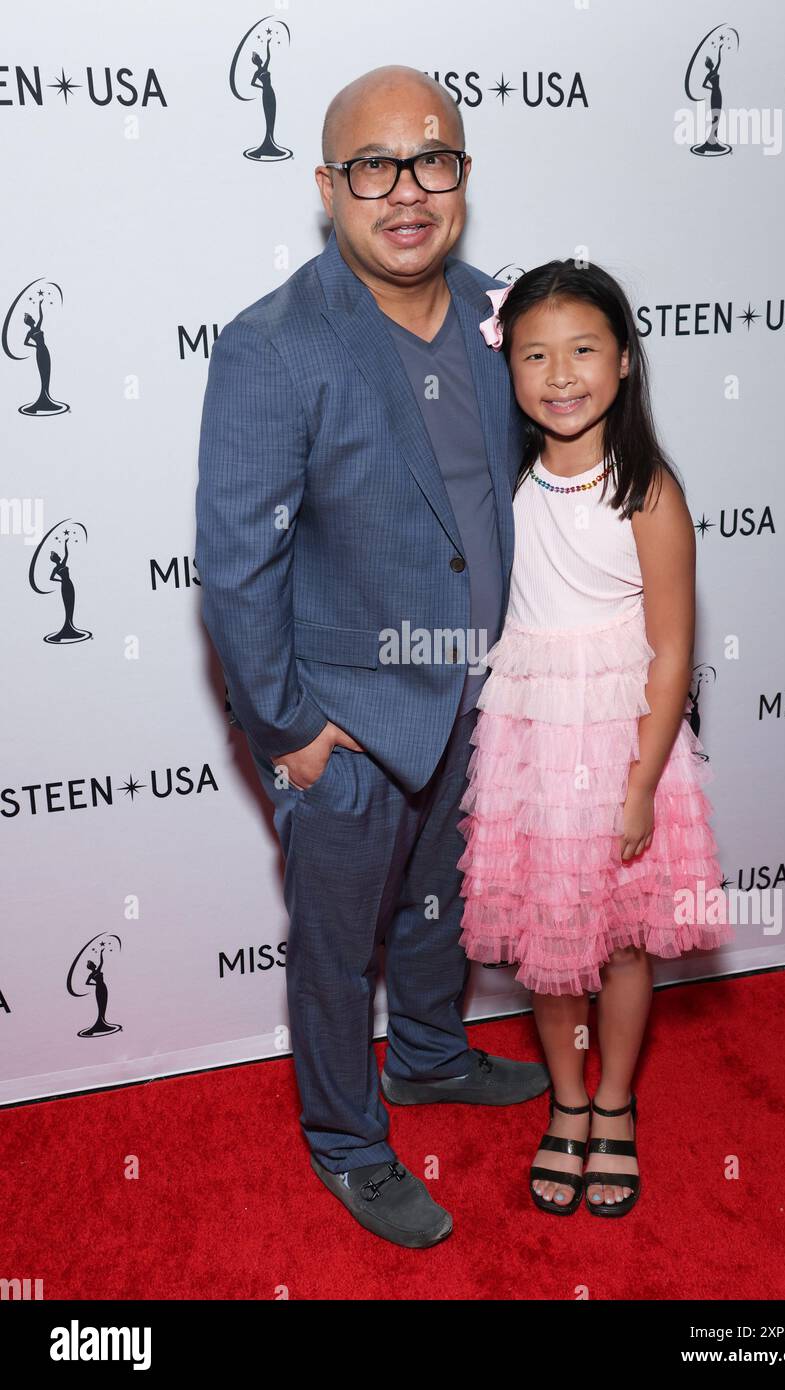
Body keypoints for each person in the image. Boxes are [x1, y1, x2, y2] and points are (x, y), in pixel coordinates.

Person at [194, 65, 548, 1250]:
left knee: (441, 909)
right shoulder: (273, 346)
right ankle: (346, 1142)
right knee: (339, 952)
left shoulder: (504, 314)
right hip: (345, 720)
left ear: (462, 176)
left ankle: (432, 1055)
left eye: (431, 160)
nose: (406, 190)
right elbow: (236, 562)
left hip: (479, 697)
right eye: (373, 167)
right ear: (326, 186)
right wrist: (290, 732)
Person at [457, 260, 734, 1217]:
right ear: (508, 368)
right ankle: (567, 1104)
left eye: (583, 350)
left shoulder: (647, 491)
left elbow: (672, 651)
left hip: (622, 747)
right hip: (531, 743)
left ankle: (614, 1102)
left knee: (619, 946)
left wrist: (640, 784)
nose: (561, 374)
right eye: (534, 354)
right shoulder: (504, 483)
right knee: (550, 941)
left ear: (623, 361)